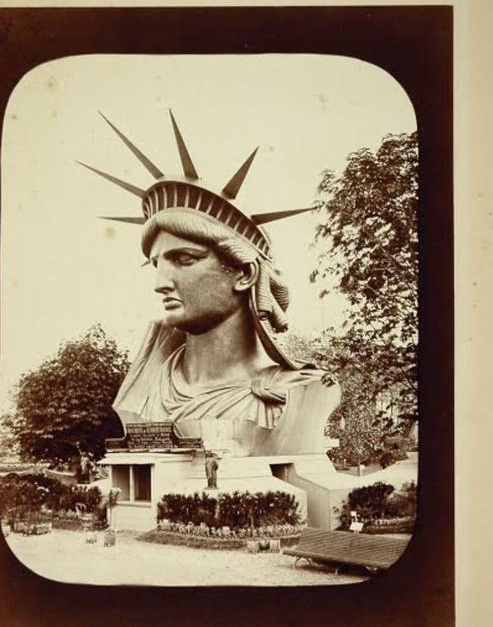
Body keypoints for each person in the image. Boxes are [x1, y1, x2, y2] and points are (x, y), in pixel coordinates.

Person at [85, 112, 339, 456]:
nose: (160, 283)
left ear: (244, 274)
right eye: (156, 264)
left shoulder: (298, 390)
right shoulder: (144, 388)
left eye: (184, 260)